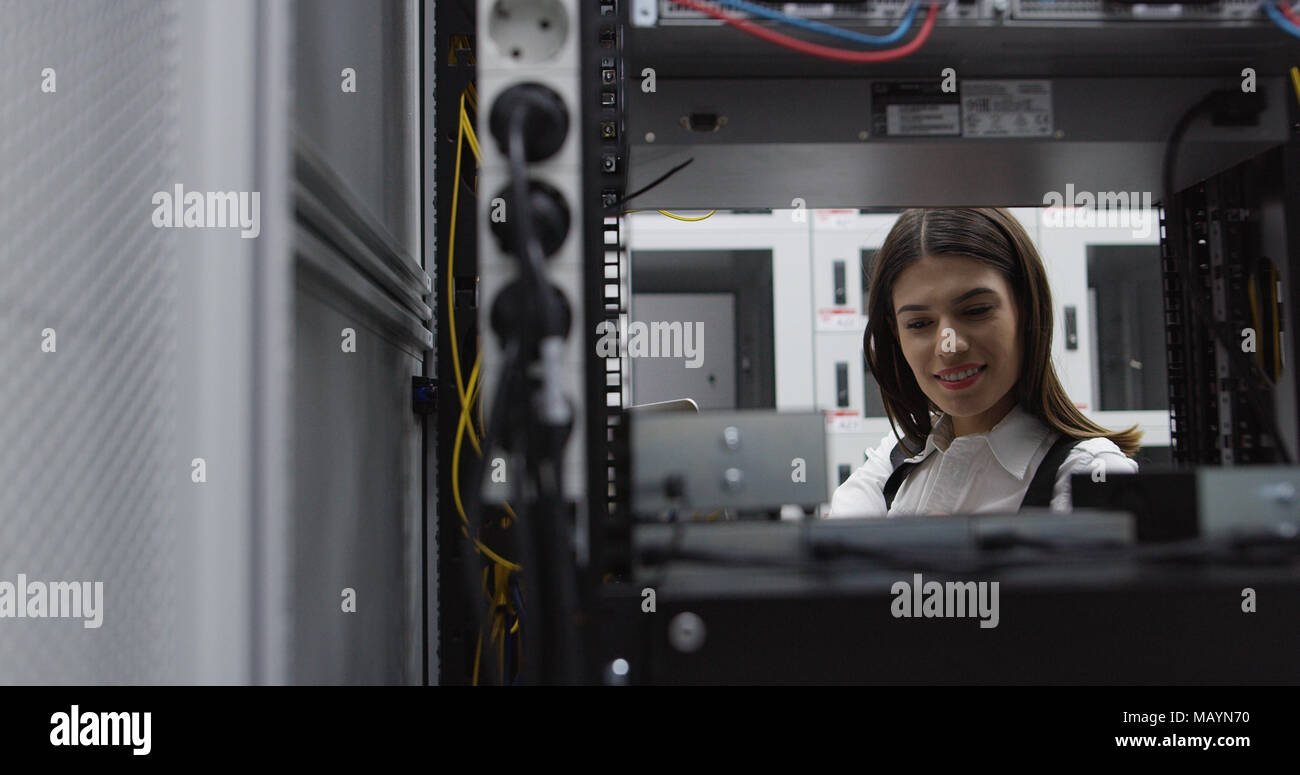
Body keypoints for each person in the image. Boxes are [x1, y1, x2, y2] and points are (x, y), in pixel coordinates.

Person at [829, 208, 1141, 518]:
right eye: (920, 324)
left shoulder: (1088, 474)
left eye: (975, 311)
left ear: (1026, 310)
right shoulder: (898, 457)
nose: (949, 346)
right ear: (895, 333)